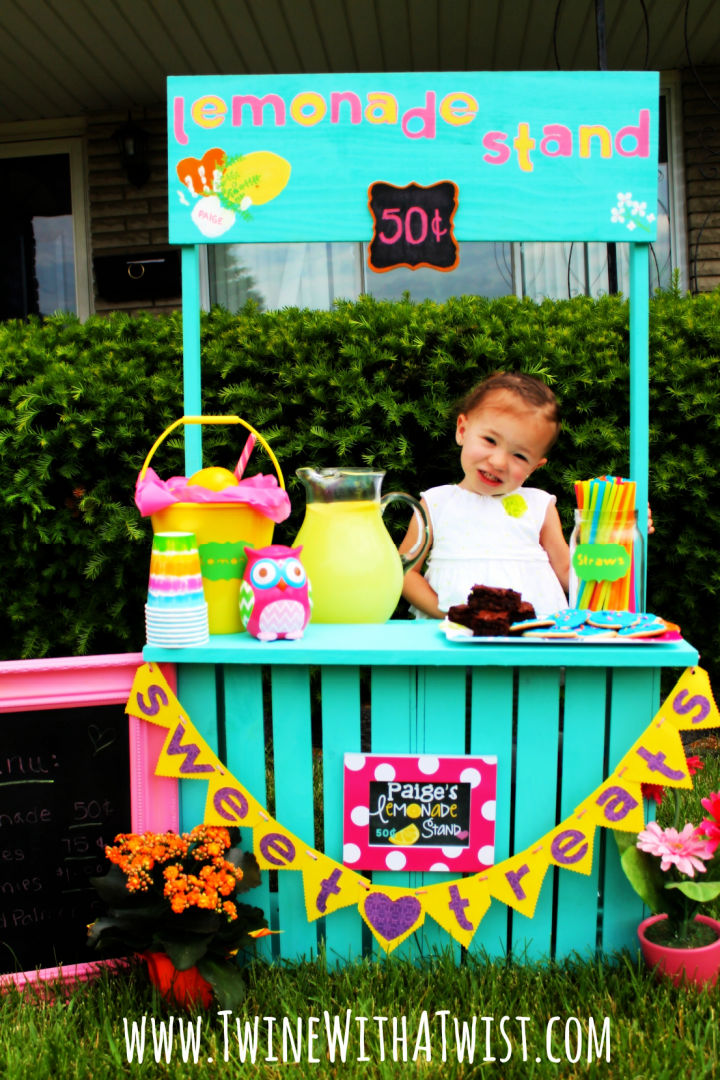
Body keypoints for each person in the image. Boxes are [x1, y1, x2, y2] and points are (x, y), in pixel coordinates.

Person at [400, 371, 652, 619]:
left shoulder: (538, 505)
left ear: (534, 467)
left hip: (534, 637)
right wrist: (446, 613)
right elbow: (405, 571)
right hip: (453, 638)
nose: (498, 462)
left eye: (519, 456)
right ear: (462, 430)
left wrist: (621, 533)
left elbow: (568, 573)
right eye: (490, 440)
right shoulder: (436, 503)